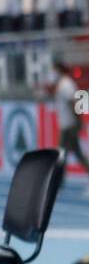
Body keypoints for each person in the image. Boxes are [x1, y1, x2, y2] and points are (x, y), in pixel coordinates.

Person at [50, 60, 89, 195]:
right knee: (71, 153)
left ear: (59, 69)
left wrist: (78, 121)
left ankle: (58, 183)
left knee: (61, 154)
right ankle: (59, 183)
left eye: (53, 70)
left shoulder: (66, 84)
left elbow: (73, 103)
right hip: (66, 124)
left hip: (69, 125)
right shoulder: (62, 83)